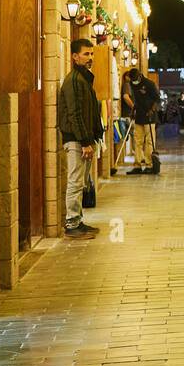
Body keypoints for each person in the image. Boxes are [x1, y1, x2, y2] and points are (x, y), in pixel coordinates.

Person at [57, 38, 101, 240]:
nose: (90, 57)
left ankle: (78, 220)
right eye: (86, 54)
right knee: (75, 181)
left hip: (84, 138)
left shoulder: (83, 78)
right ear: (75, 57)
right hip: (76, 139)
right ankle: (72, 224)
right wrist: (84, 141)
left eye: (91, 54)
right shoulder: (74, 80)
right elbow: (75, 113)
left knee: (80, 181)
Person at [126, 67, 160, 174]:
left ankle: (149, 165)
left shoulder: (149, 84)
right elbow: (136, 100)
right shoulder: (132, 84)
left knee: (149, 141)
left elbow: (157, 99)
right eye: (132, 80)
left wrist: (152, 110)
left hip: (150, 117)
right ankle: (138, 165)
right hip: (139, 116)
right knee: (138, 141)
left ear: (140, 75)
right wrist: (133, 111)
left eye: (135, 79)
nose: (134, 81)